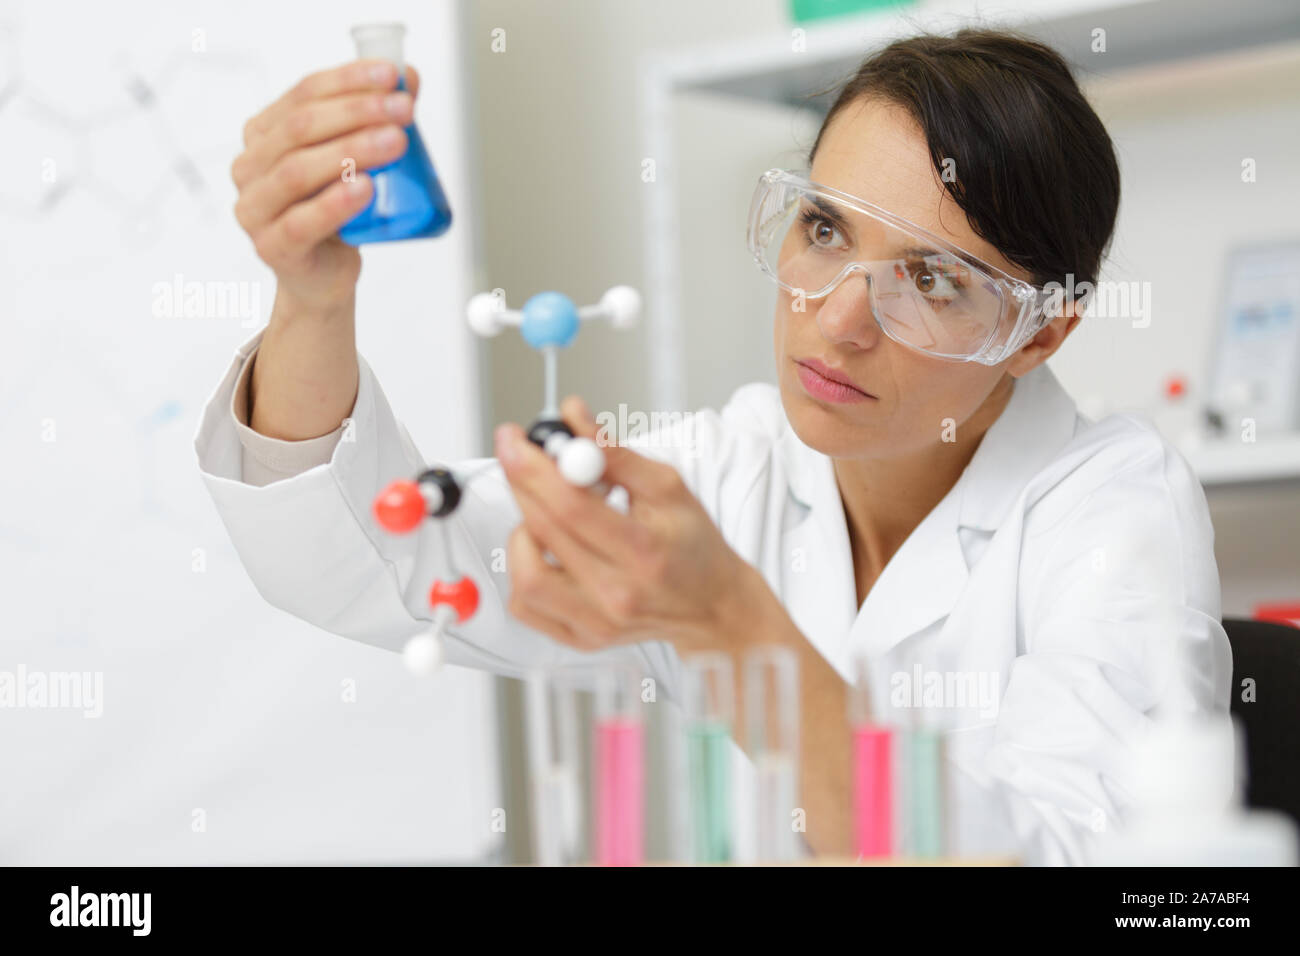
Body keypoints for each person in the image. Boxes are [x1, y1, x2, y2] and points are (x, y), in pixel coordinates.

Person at [196, 28, 1232, 864]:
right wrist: (313, 298)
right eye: (824, 230)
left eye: (930, 278)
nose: (836, 320)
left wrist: (734, 629)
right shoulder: (731, 466)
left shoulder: (1115, 512)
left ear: (1042, 329)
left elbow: (1085, 868)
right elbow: (381, 557)